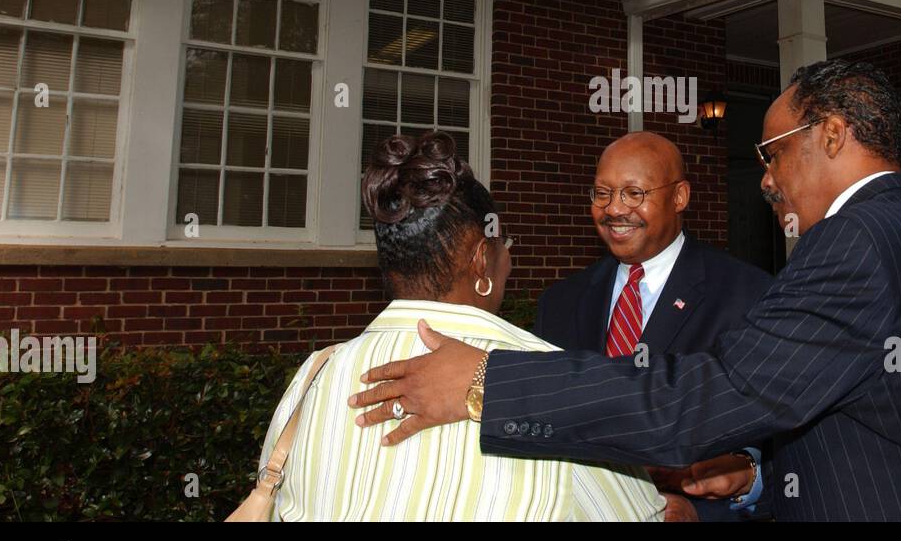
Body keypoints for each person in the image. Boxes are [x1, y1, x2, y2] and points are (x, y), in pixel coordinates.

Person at [350, 60, 901, 521]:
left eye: (773, 152)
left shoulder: (854, 242)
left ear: (831, 133)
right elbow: (873, 420)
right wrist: (755, 479)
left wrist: (486, 381)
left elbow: (694, 399)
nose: (765, 177)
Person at [256, 131, 663, 521]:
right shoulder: (547, 378)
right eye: (504, 244)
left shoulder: (316, 374)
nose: (509, 259)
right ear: (481, 261)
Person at [535, 131, 774, 521]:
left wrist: (703, 507)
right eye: (602, 193)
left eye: (633, 193)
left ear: (679, 197)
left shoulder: (747, 294)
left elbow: (775, 440)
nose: (614, 209)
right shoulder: (559, 304)